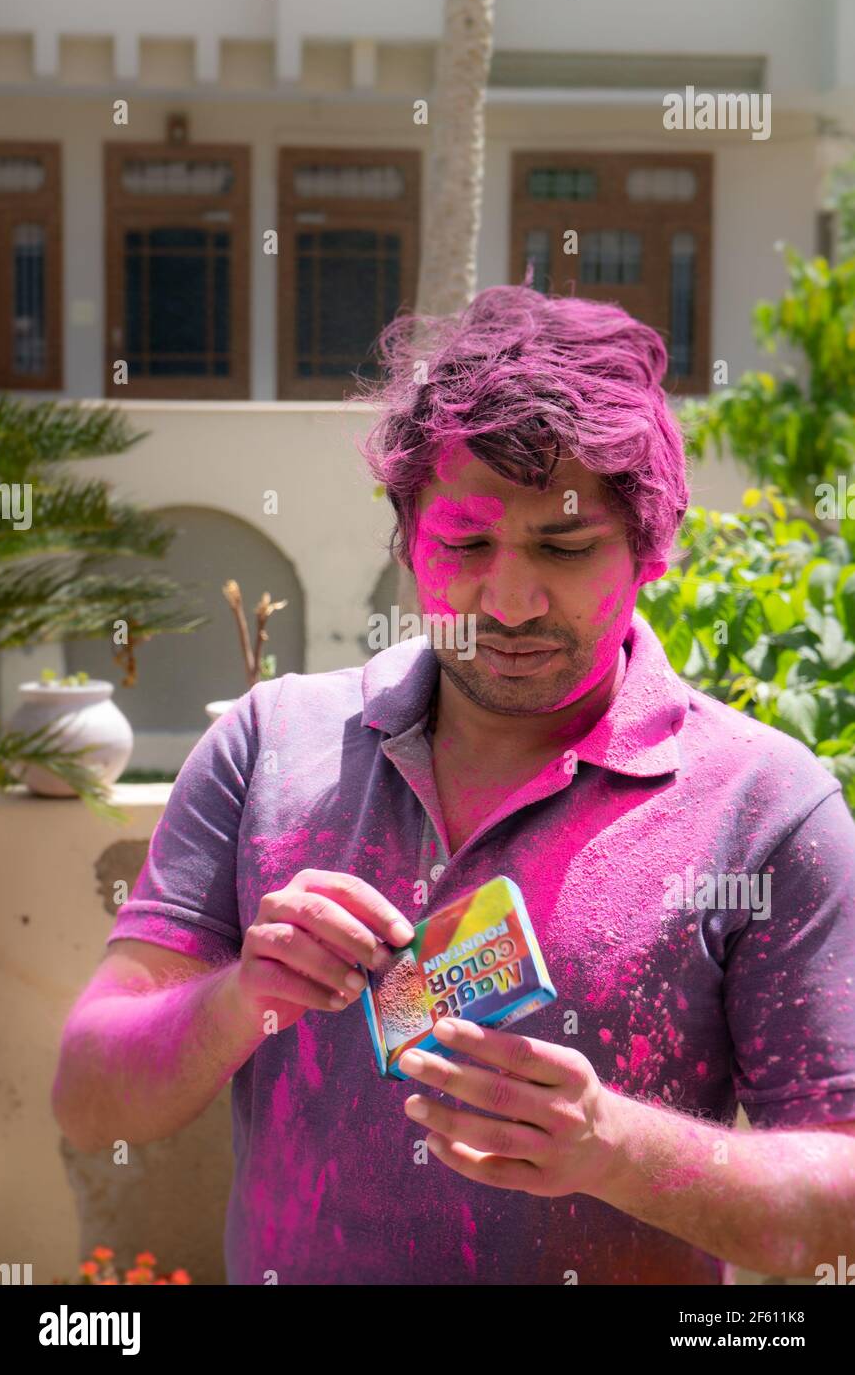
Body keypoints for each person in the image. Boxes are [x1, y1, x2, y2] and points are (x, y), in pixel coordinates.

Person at [52, 283, 855, 1285]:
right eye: (464, 545)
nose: (508, 601)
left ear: (647, 550)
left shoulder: (765, 806)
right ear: (406, 541)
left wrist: (614, 1147)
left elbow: (837, 1215)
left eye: (563, 548)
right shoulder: (271, 745)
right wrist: (240, 998)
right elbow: (90, 1097)